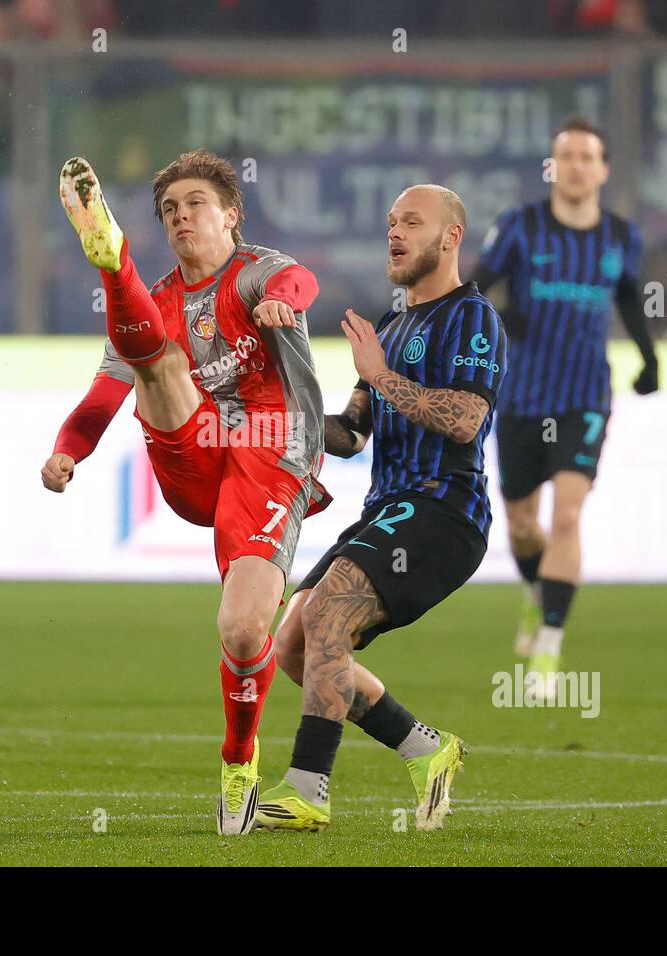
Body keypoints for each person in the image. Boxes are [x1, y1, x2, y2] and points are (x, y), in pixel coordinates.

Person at [43, 149, 329, 835]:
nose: (181, 217)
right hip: (193, 452)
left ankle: (238, 760)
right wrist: (67, 449)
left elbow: (301, 281)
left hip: (271, 451)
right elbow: (101, 395)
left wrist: (280, 307)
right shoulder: (162, 304)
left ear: (231, 213)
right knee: (157, 361)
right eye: (169, 210)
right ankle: (113, 264)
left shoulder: (259, 272)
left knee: (241, 629)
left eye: (194, 204)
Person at [256, 184, 505, 832]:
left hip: (445, 507)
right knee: (292, 645)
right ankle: (429, 751)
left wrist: (382, 373)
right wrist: (295, 412)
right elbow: (354, 435)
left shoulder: (472, 319)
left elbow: (464, 419)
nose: (394, 232)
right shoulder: (389, 327)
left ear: (450, 237)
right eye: (391, 221)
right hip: (386, 509)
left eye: (411, 222)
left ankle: (307, 792)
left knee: (331, 609)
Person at [472, 114, 658, 698]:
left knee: (568, 516)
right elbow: (474, 290)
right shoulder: (520, 228)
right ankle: (534, 595)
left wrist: (649, 359)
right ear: (553, 168)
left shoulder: (621, 237)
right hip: (522, 395)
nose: (576, 166)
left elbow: (629, 297)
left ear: (602, 169)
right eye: (566, 156)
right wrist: (504, 314)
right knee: (523, 524)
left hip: (584, 395)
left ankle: (550, 645)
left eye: (587, 157)